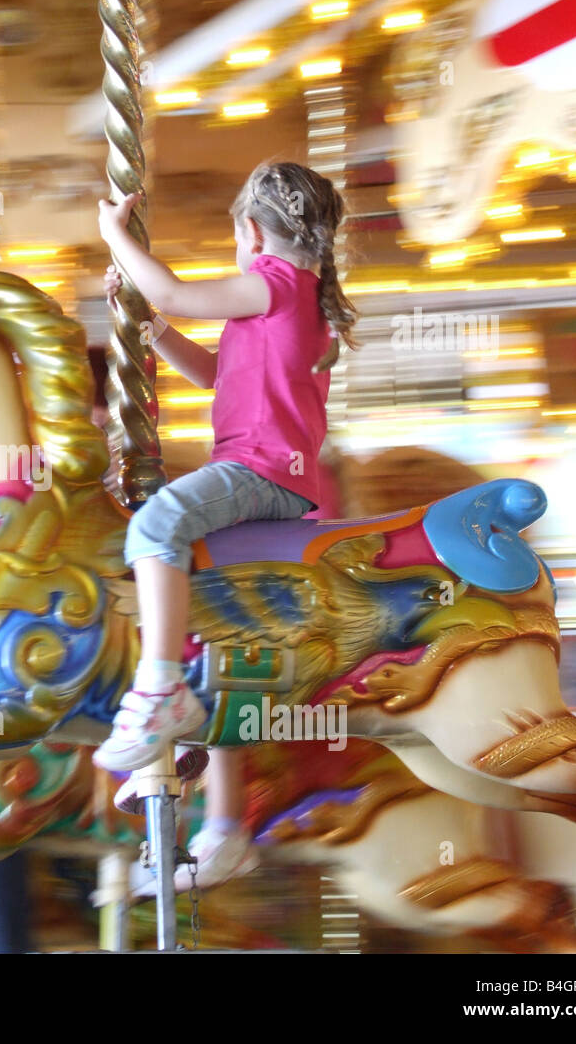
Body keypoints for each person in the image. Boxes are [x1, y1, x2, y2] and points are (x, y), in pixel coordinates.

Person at [91, 161, 358, 879]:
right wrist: (151, 334)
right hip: (277, 478)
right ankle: (212, 797)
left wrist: (115, 235)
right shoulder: (295, 301)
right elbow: (215, 373)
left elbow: (171, 287)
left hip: (259, 470)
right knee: (210, 603)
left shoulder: (273, 282)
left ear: (249, 232)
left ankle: (159, 689)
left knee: (152, 528)